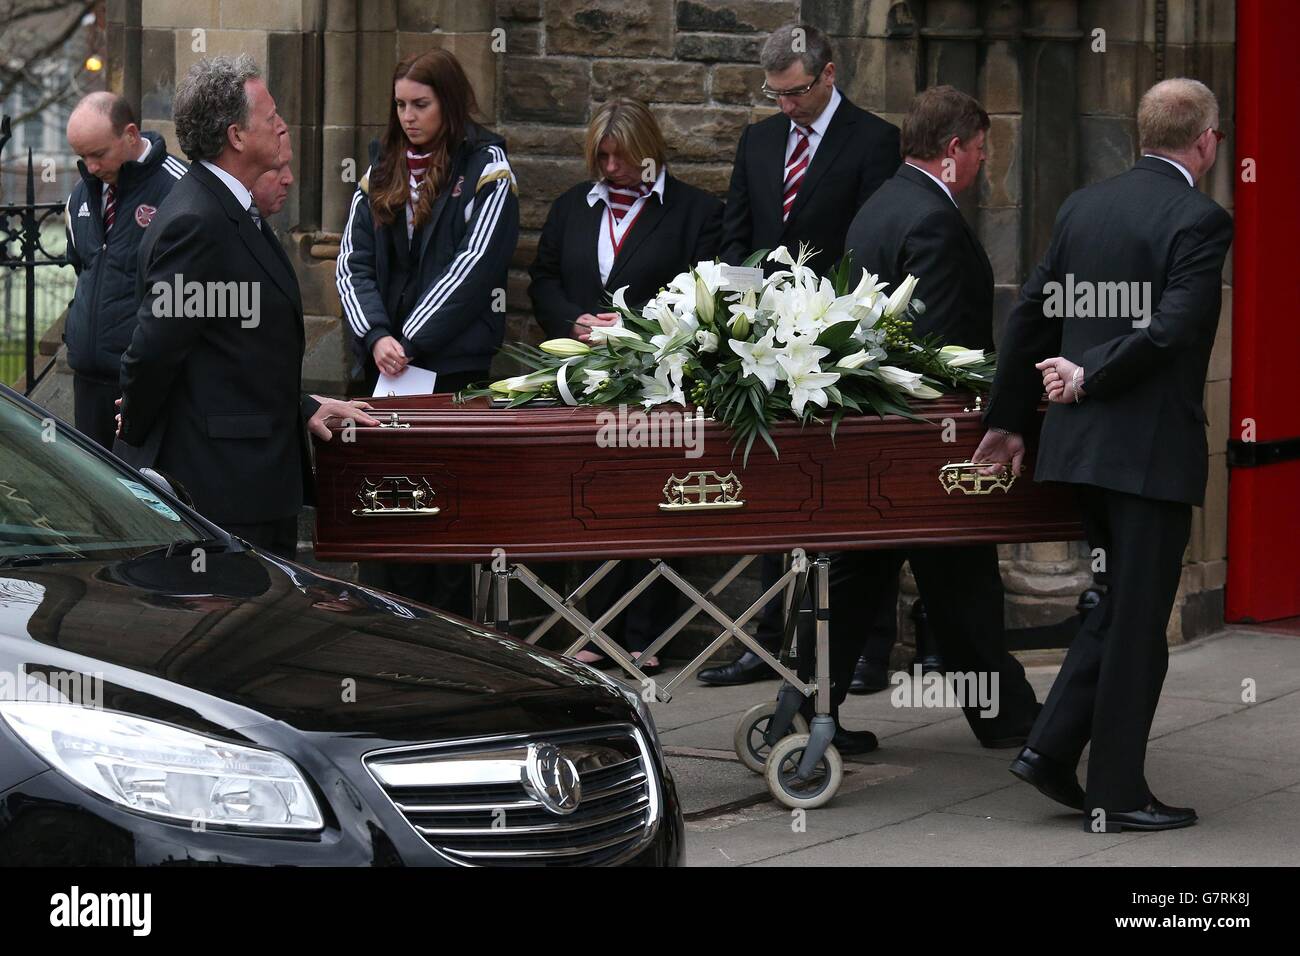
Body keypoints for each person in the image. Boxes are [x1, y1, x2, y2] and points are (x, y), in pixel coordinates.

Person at [975, 77, 1233, 832]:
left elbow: (1033, 310)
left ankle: (1050, 751)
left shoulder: (1084, 206)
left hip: (1081, 451)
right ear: (1207, 141)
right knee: (1136, 625)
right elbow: (1174, 328)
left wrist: (1012, 418)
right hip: (1146, 457)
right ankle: (1116, 792)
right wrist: (1088, 377)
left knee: (1115, 608)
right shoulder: (1201, 218)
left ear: (1139, 131)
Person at [824, 86, 1042, 753]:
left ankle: (804, 712)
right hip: (924, 442)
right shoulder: (934, 222)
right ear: (953, 150)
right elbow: (941, 350)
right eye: (979, 150)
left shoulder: (881, 206)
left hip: (878, 439)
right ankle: (1007, 718)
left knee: (871, 580)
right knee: (962, 579)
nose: (981, 163)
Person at [702, 21, 900, 689]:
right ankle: (766, 640)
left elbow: (871, 243)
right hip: (764, 348)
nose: (784, 106)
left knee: (848, 494)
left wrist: (837, 323)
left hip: (838, 343)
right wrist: (742, 319)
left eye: (795, 93)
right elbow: (738, 237)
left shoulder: (874, 140)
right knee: (770, 490)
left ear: (828, 74)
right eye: (775, 94)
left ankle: (867, 649)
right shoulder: (759, 142)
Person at [117, 55, 375, 560]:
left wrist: (306, 406)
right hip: (221, 489)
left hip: (252, 476)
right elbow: (154, 350)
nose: (281, 124)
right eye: (270, 115)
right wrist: (136, 429)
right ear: (236, 135)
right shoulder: (199, 220)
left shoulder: (230, 210)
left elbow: (236, 352)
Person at [528, 98, 723, 673]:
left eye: (619, 156)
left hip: (659, 380)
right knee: (595, 498)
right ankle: (597, 628)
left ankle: (647, 634)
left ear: (648, 151)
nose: (609, 167)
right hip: (584, 379)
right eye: (601, 156)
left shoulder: (694, 211)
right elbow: (542, 280)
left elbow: (703, 292)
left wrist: (635, 325)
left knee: (655, 500)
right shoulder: (572, 208)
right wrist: (573, 322)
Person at [335, 48, 519, 615]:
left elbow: (475, 264)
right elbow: (352, 263)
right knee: (392, 509)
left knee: (448, 513)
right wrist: (377, 337)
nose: (408, 117)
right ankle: (389, 628)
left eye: (421, 104)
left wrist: (407, 340)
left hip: (453, 370)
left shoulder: (486, 167)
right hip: (387, 371)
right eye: (400, 106)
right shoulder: (380, 170)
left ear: (450, 102)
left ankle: (454, 634)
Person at [63, 92, 185, 448]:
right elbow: (82, 268)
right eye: (82, 157)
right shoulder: (80, 196)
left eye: (98, 154)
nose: (91, 167)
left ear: (131, 135)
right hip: (87, 382)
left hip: (145, 385)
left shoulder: (179, 188)